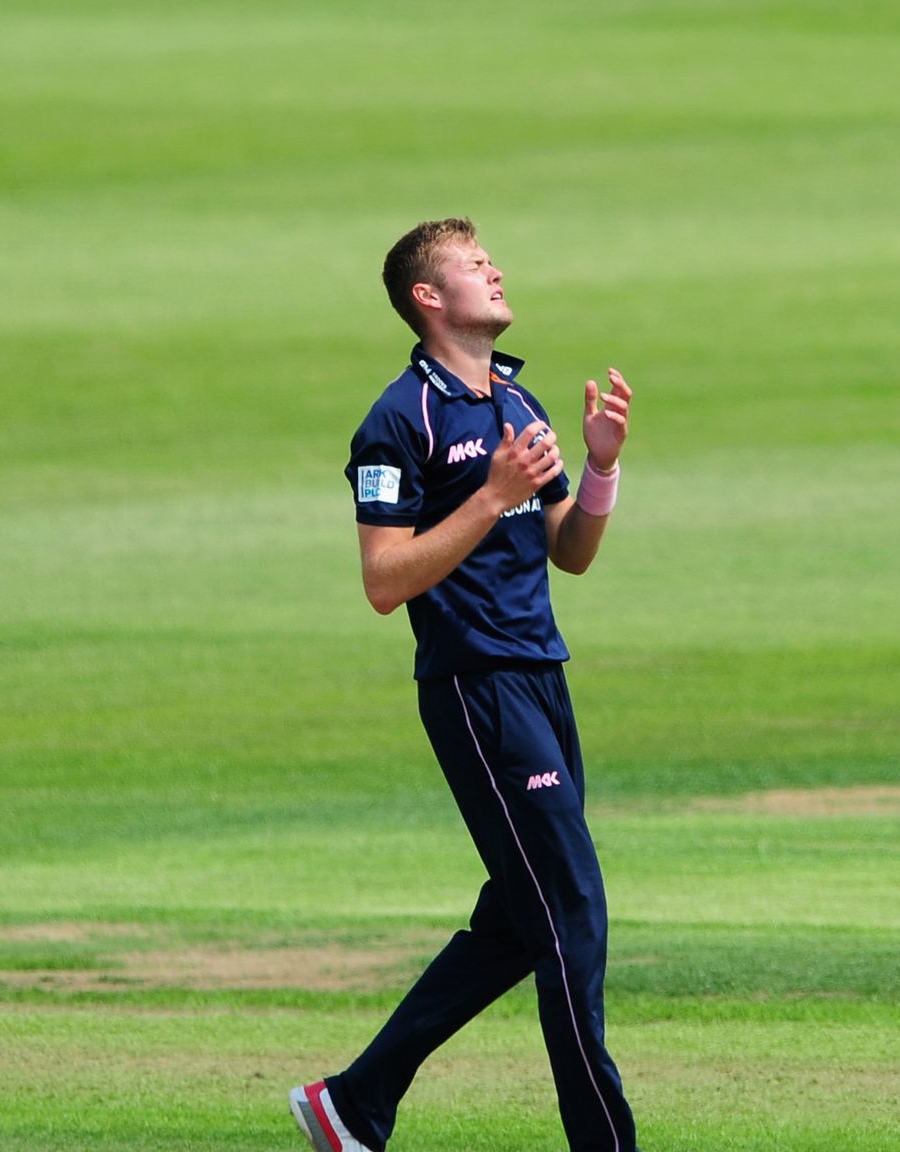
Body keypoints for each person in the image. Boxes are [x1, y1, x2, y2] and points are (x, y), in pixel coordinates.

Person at [290, 218, 639, 1152]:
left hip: (543, 680)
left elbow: (570, 553)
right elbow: (382, 581)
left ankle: (355, 1101)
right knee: (571, 915)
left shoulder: (519, 403)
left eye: (490, 259)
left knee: (522, 919)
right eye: (471, 265)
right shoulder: (400, 418)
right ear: (428, 300)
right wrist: (487, 497)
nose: (493, 270)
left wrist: (600, 466)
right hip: (475, 689)